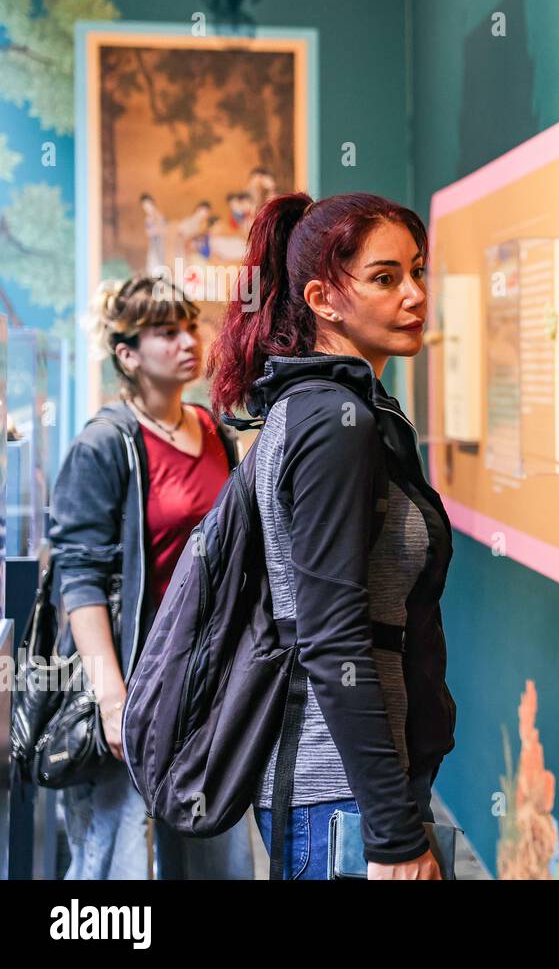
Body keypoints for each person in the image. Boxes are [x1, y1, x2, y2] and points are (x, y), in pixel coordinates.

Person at [207, 191, 456, 880]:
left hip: (344, 793)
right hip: (339, 798)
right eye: (385, 278)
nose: (414, 295)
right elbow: (332, 634)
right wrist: (393, 835)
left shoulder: (325, 409)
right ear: (322, 299)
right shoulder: (333, 423)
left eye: (418, 271)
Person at [47, 275, 255, 879]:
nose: (189, 341)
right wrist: (113, 700)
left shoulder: (216, 431)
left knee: (222, 860)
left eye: (191, 325)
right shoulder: (105, 443)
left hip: (208, 688)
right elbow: (78, 578)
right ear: (127, 355)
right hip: (131, 686)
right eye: (167, 332)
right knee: (117, 872)